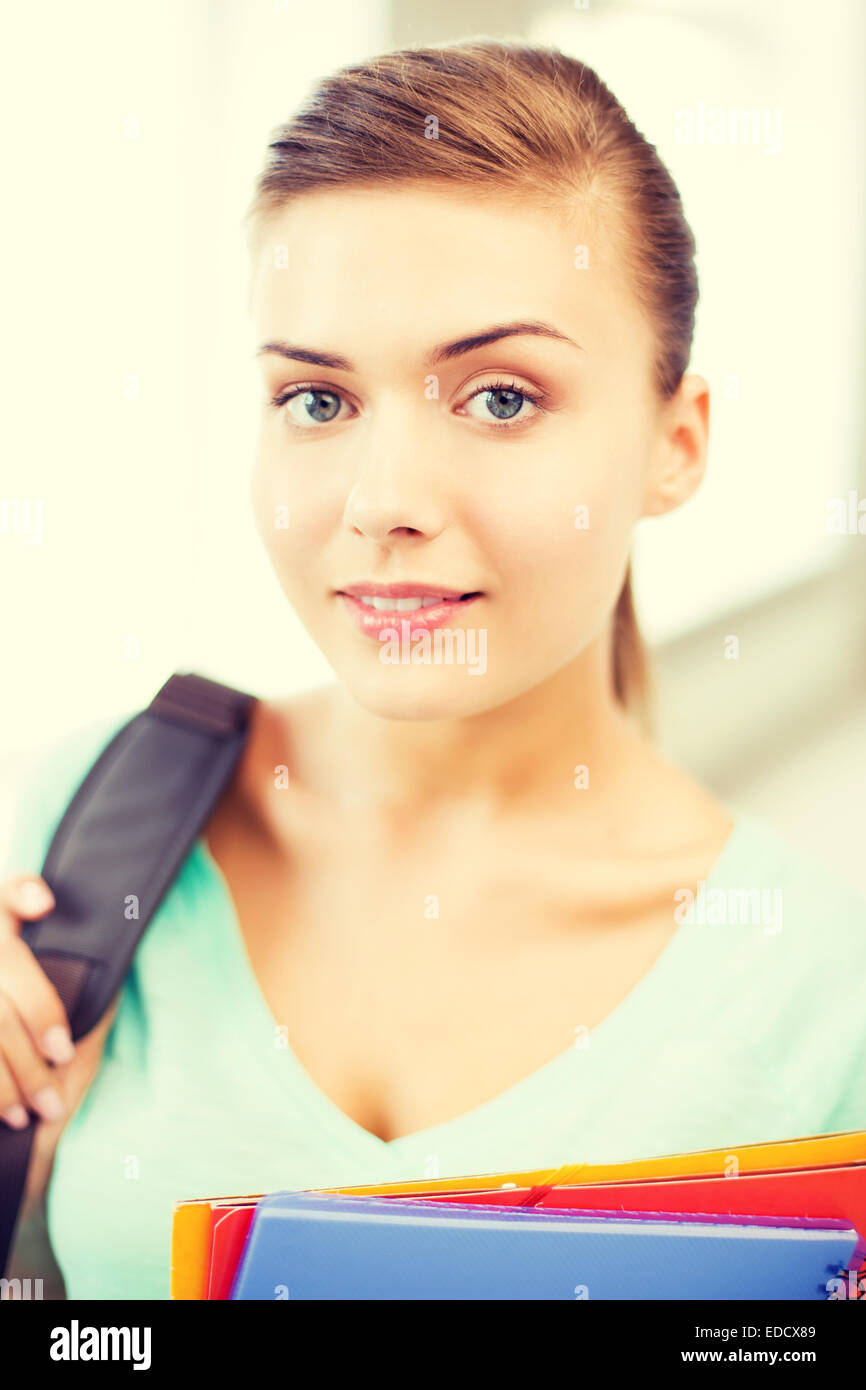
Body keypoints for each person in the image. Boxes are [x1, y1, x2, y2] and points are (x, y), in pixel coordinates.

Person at [2, 38, 864, 1301]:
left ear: (674, 444)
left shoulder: (822, 996)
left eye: (499, 397)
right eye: (316, 400)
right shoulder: (74, 834)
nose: (382, 501)